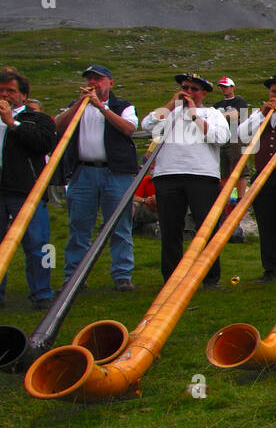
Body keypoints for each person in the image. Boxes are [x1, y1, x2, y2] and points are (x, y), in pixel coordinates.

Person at [140, 72, 230, 286]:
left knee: (206, 228)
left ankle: (209, 278)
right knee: (170, 228)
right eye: (184, 87)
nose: (188, 92)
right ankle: (171, 277)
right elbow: (147, 125)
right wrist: (172, 104)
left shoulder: (212, 113)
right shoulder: (169, 112)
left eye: (193, 89)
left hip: (202, 175)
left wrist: (193, 115)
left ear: (204, 93)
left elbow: (221, 138)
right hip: (168, 174)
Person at [54, 65, 139, 292]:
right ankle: (75, 276)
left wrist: (101, 107)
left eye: (98, 79)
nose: (93, 82)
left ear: (110, 83)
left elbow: (128, 128)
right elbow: (56, 127)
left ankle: (122, 274)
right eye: (89, 78)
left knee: (119, 224)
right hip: (83, 173)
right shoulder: (77, 107)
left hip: (116, 173)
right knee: (79, 224)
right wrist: (78, 106)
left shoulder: (123, 106)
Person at [0, 67, 57, 309]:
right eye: (1, 91)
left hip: (27, 192)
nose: (5, 95)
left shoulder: (38, 119)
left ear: (23, 95)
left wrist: (12, 123)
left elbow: (43, 144)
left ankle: (42, 293)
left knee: (40, 245)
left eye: (10, 91)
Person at [235, 74, 276, 284]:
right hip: (263, 176)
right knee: (267, 224)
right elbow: (242, 134)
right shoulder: (260, 115)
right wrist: (261, 113)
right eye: (273, 92)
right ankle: (272, 269)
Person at [212, 77, 250, 198]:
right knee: (223, 172)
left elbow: (238, 114)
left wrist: (220, 117)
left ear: (232, 87)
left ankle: (241, 199)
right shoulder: (217, 104)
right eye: (222, 87)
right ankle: (224, 200)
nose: (224, 89)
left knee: (239, 169)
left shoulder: (239, 101)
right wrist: (228, 116)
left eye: (226, 86)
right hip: (222, 139)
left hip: (236, 137)